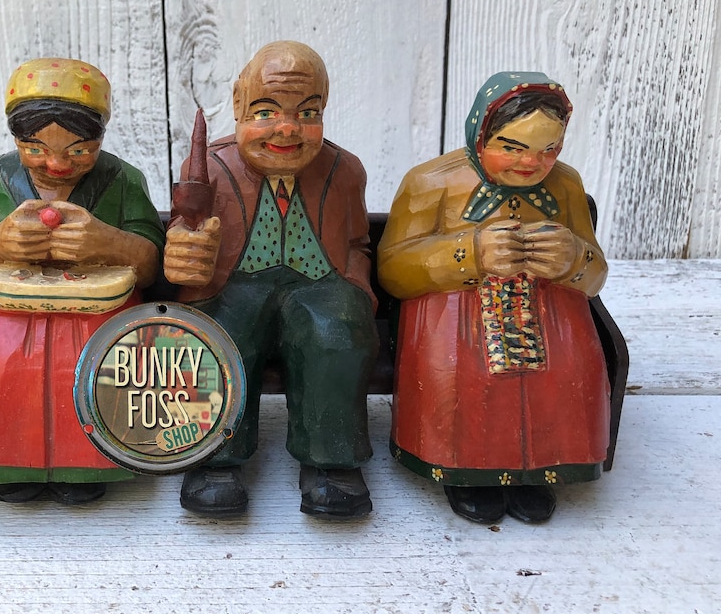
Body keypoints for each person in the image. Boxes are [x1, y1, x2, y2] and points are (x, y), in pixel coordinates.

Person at [378, 72, 609, 524]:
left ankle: (539, 469)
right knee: (464, 380)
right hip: (456, 313)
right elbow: (391, 270)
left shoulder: (564, 186)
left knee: (565, 375)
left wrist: (573, 258)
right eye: (512, 146)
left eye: (549, 149)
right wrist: (468, 254)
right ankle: (469, 472)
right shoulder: (430, 183)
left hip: (548, 314)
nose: (531, 163)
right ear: (480, 130)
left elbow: (596, 272)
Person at [163, 41, 379, 517]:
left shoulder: (344, 171)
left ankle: (331, 460)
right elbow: (186, 229)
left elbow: (359, 243)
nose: (287, 128)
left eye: (308, 112)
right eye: (265, 111)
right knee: (219, 334)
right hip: (234, 282)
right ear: (238, 108)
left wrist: (357, 290)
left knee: (336, 329)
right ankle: (215, 455)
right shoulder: (212, 169)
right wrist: (182, 255)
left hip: (319, 281)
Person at [0, 58, 166, 504]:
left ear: (100, 138)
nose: (57, 164)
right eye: (36, 148)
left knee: (100, 362)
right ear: (16, 139)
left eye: (78, 150)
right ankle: (7, 460)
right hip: (5, 310)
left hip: (101, 313)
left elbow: (150, 264)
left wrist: (108, 242)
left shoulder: (122, 179)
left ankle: (89, 463)